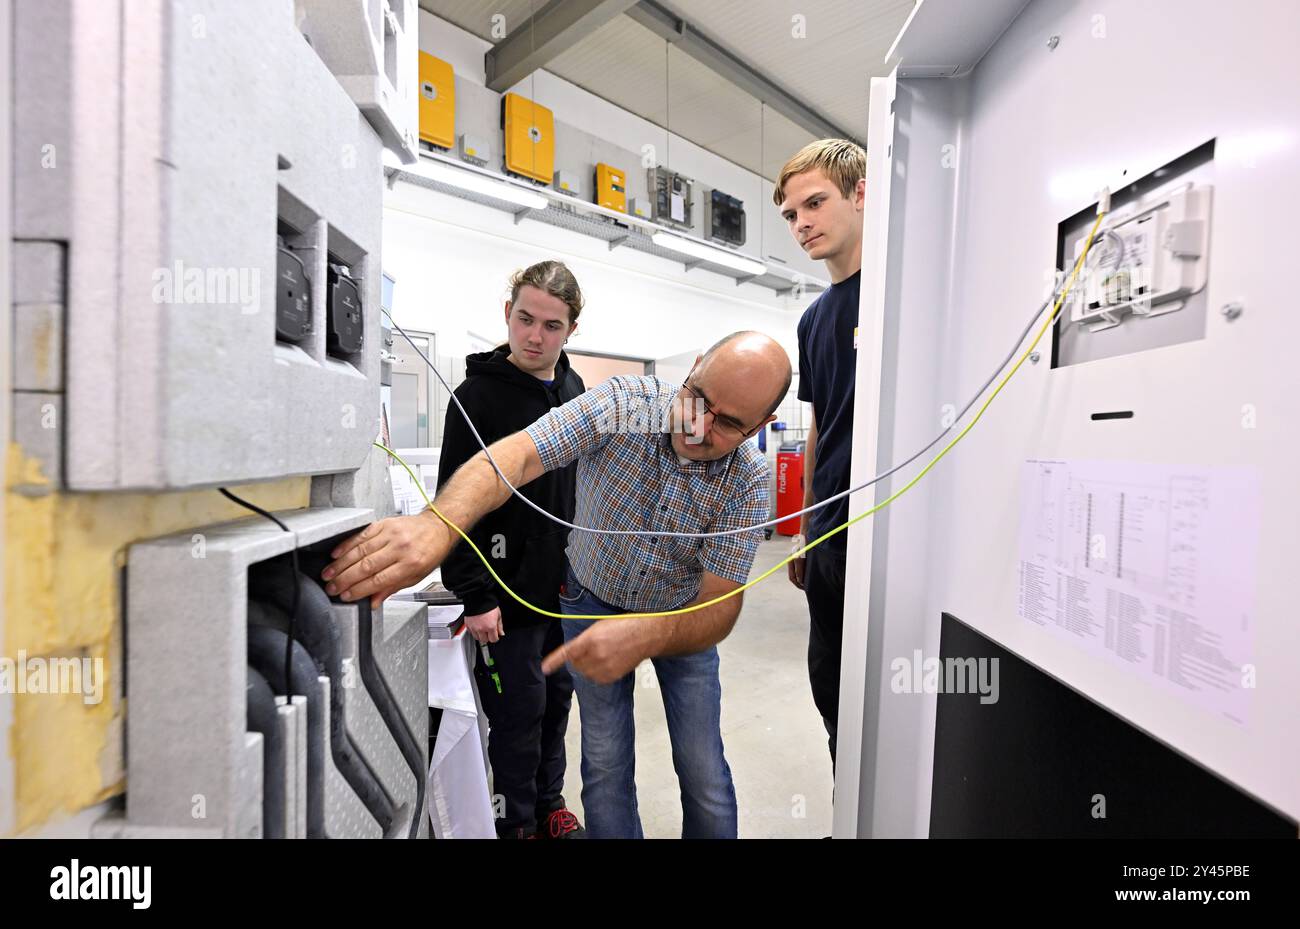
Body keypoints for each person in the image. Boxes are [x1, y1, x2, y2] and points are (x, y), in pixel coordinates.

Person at [322, 331, 792, 838]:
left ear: (760, 429)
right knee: (606, 763)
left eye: (726, 423)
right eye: (697, 398)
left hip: (680, 617)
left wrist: (645, 634)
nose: (698, 425)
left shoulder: (745, 477)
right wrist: (441, 524)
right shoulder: (626, 406)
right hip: (591, 599)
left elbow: (718, 607)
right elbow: (520, 456)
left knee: (703, 770)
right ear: (695, 366)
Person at [435, 260, 586, 839]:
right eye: (525, 319)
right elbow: (454, 504)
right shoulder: (475, 399)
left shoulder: (574, 393)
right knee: (516, 720)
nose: (534, 336)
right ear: (507, 314)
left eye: (551, 325)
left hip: (564, 596)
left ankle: (551, 807)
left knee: (556, 708)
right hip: (505, 598)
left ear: (571, 330)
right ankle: (515, 824)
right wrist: (475, 595)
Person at [775, 138, 867, 767]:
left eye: (815, 202)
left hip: (886, 532)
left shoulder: (901, 298)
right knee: (831, 685)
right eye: (789, 214)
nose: (801, 222)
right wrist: (806, 526)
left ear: (862, 195)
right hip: (830, 533)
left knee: (885, 693)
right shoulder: (813, 321)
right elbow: (817, 428)